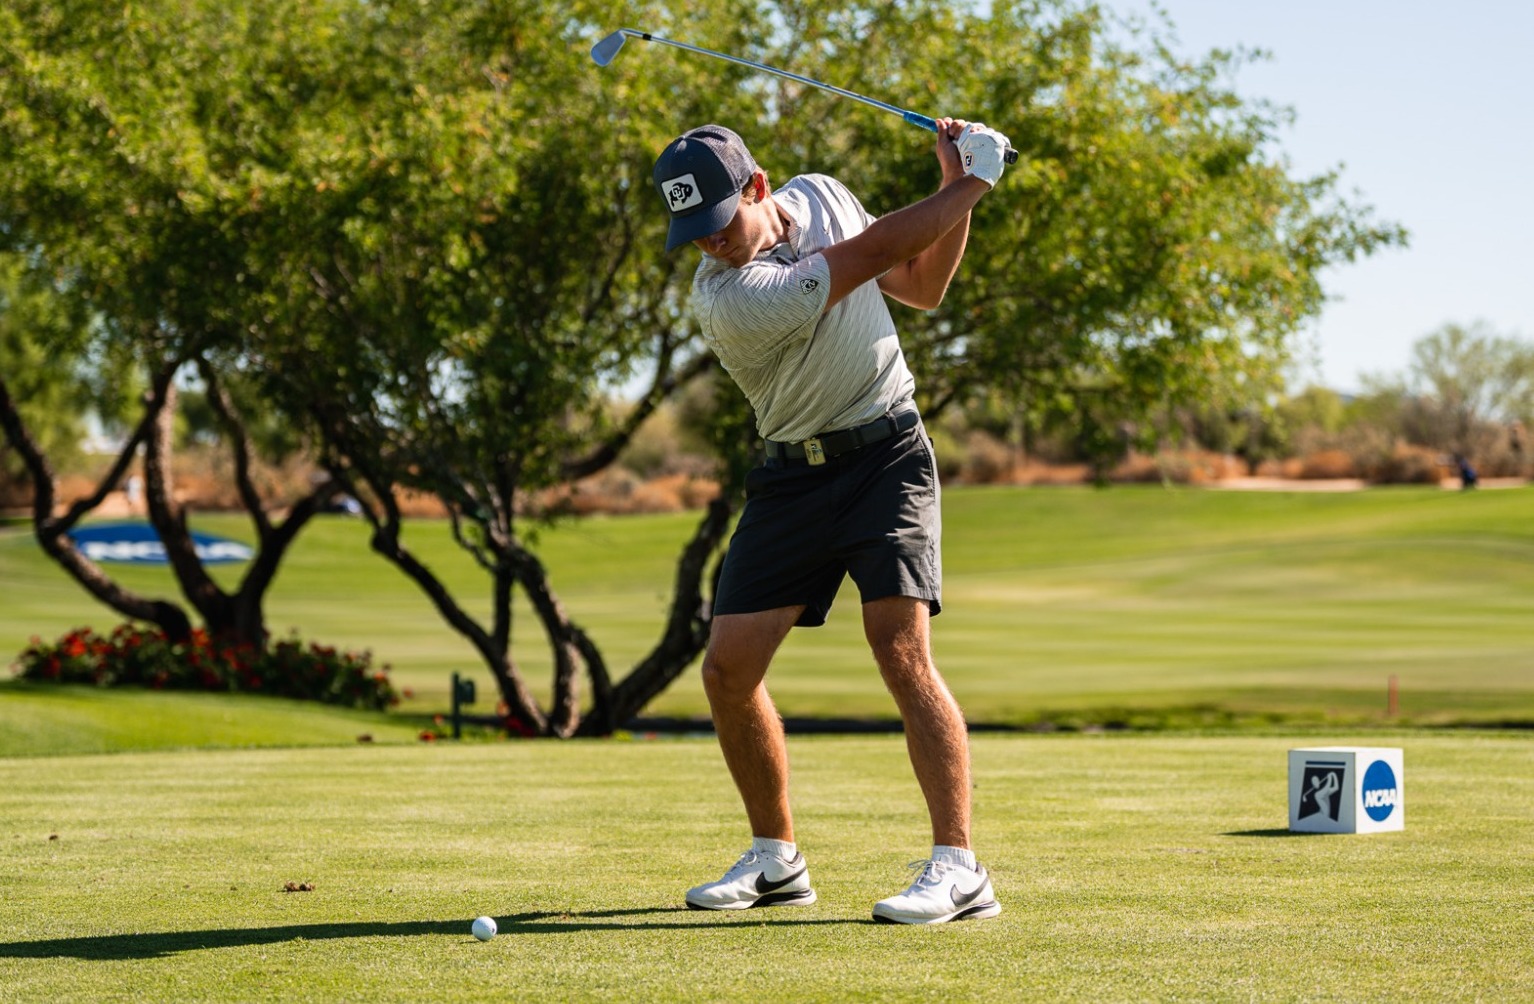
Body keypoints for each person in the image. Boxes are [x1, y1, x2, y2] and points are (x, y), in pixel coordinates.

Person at [650, 118, 1010, 924]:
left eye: (716, 223)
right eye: (691, 235)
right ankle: (776, 858)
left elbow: (919, 284)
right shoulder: (729, 298)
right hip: (791, 480)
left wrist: (964, 198)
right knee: (727, 671)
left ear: (756, 186)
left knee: (898, 644)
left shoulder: (823, 193)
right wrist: (972, 180)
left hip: (887, 455)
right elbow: (876, 254)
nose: (707, 246)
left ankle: (959, 868)